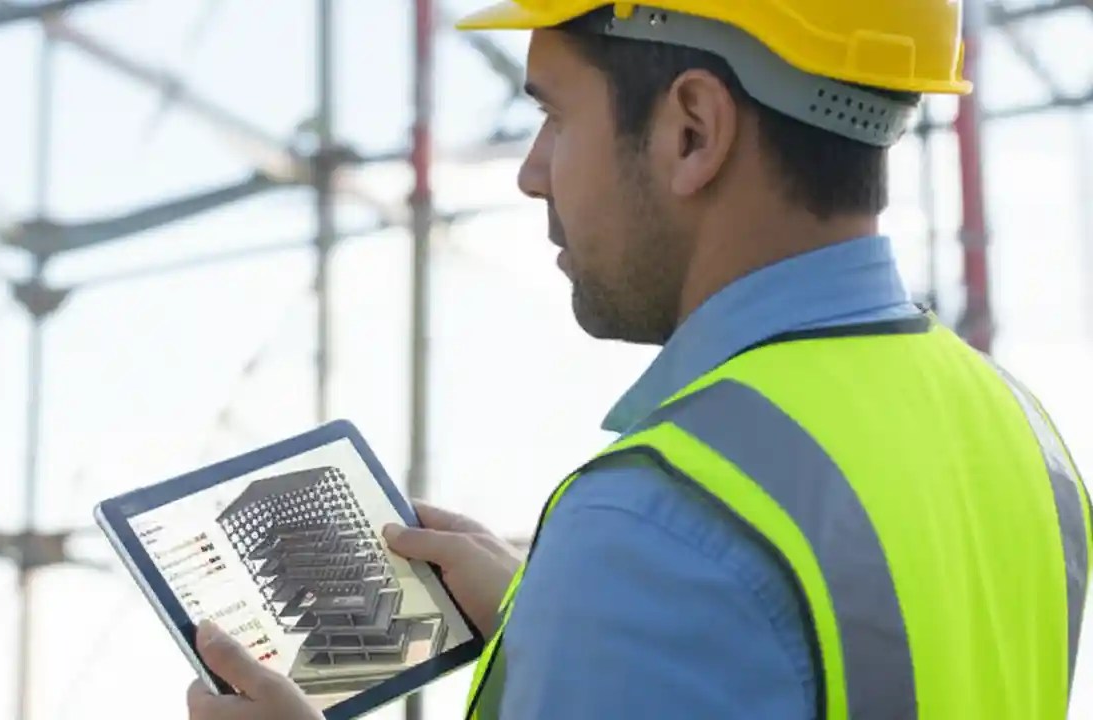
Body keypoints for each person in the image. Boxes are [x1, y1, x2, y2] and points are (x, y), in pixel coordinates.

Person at [186, 1, 1093, 719]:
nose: (531, 172)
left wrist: (598, 603)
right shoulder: (1024, 434)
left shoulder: (653, 522)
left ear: (692, 130)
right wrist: (548, 625)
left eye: (552, 116)